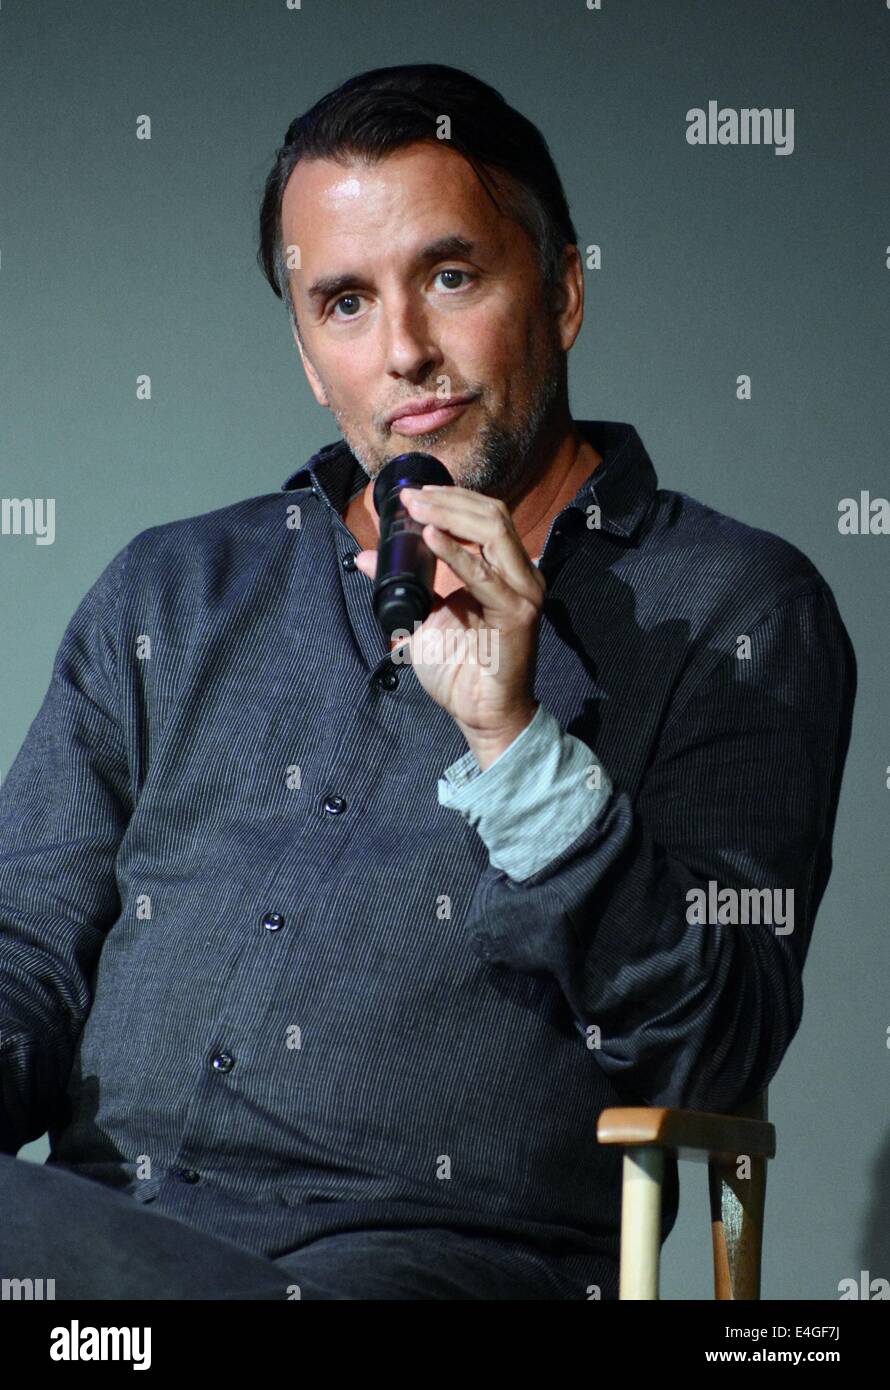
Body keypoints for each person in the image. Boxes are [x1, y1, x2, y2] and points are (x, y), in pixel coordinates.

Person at [0, 63, 856, 1301]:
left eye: (450, 276)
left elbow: (710, 1053)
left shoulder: (730, 608)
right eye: (343, 303)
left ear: (560, 293)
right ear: (306, 354)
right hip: (91, 1260)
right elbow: (24, 946)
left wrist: (513, 741)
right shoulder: (174, 590)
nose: (404, 350)